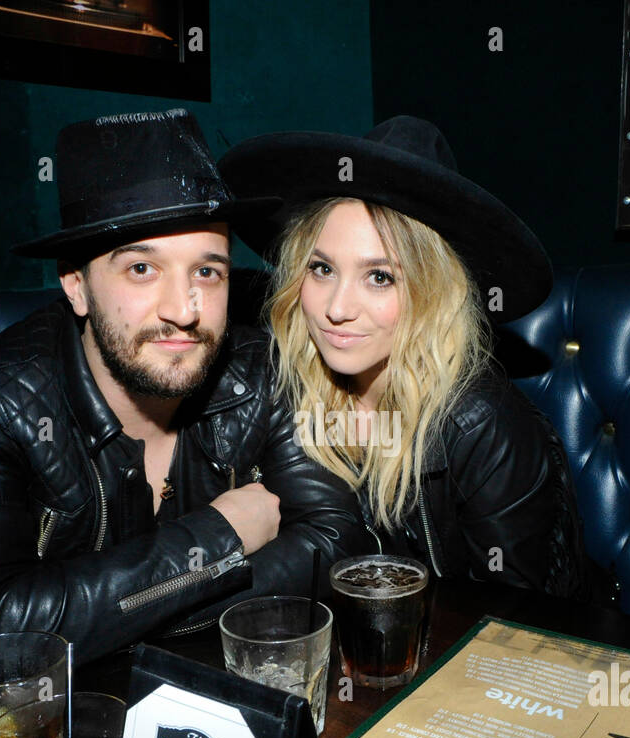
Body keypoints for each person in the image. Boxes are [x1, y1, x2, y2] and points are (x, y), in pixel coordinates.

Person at [0, 109, 371, 662]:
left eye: (206, 271)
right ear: (76, 285)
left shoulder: (263, 370)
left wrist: (120, 619)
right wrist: (219, 537)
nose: (182, 310)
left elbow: (334, 542)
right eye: (142, 269)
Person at [219, 116, 606, 600]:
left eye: (379, 277)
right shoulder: (285, 386)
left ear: (434, 294)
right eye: (322, 269)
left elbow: (513, 624)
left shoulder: (481, 425)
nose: (337, 309)